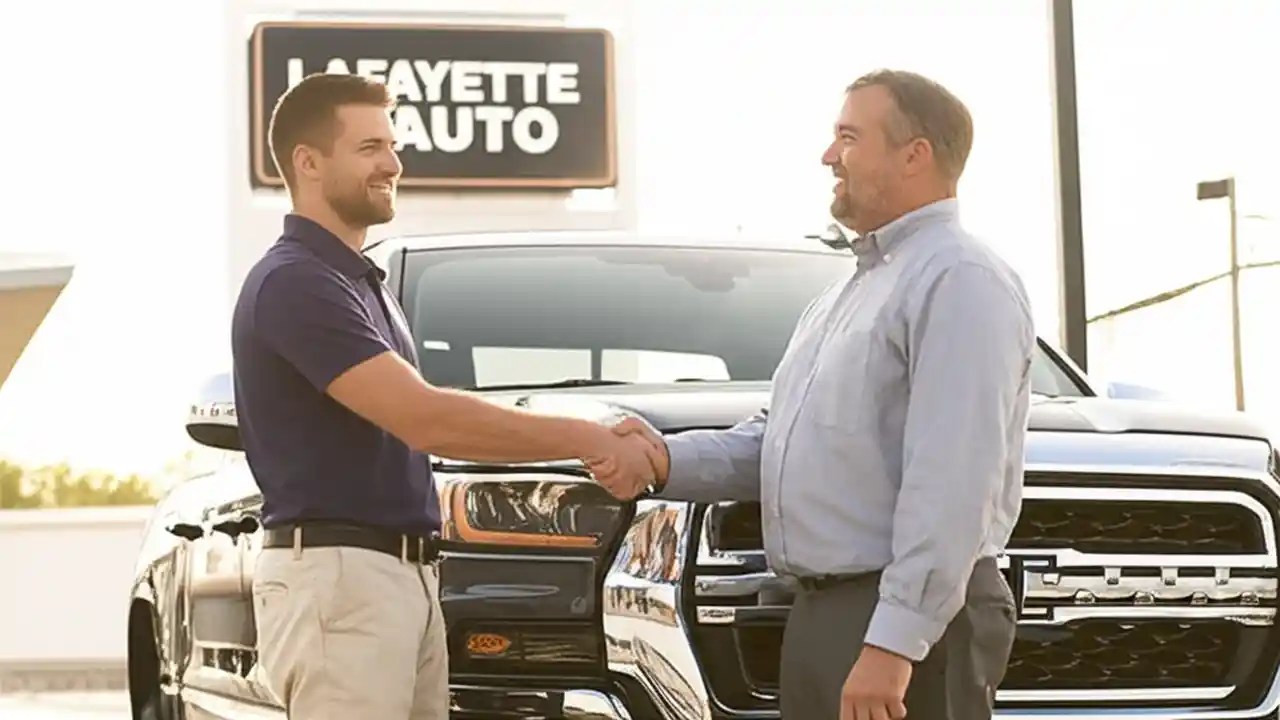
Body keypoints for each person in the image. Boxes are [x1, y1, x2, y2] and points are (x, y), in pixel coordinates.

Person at [607, 69, 1035, 719]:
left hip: (906, 626)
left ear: (914, 154)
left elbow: (953, 482)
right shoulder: (840, 299)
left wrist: (894, 646)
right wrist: (663, 460)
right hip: (825, 617)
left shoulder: (960, 280)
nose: (828, 155)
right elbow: (777, 443)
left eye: (849, 137)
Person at [230, 72, 658, 720]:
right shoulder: (296, 284)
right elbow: (425, 418)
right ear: (308, 162)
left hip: (402, 581)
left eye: (392, 145)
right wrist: (589, 440)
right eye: (370, 146)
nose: (393, 163)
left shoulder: (357, 283)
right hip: (342, 584)